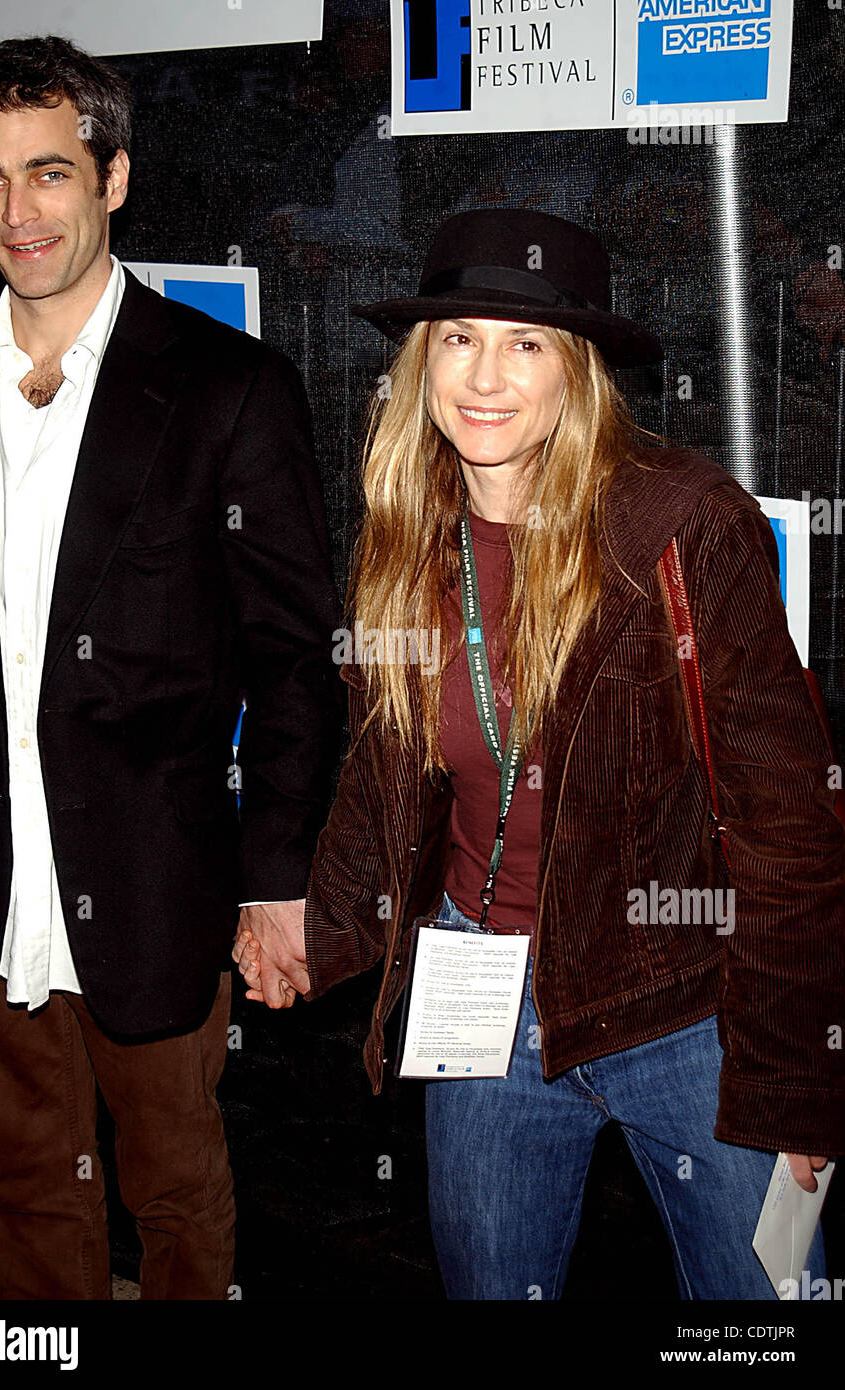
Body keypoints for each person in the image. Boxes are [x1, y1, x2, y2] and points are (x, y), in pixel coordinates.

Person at [235, 208, 845, 1300]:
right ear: (423, 363)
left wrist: (799, 1076)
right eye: (459, 338)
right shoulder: (407, 530)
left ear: (581, 374)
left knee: (767, 1311)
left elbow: (792, 824)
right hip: (481, 998)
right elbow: (385, 778)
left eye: (526, 344)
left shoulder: (682, 525)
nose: (486, 375)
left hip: (685, 1009)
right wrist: (309, 924)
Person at [0, 35, 341, 1300]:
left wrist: (276, 881)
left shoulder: (227, 387)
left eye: (49, 173)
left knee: (173, 1187)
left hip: (159, 882)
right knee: (18, 1183)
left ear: (114, 177)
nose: (20, 212)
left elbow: (294, 658)